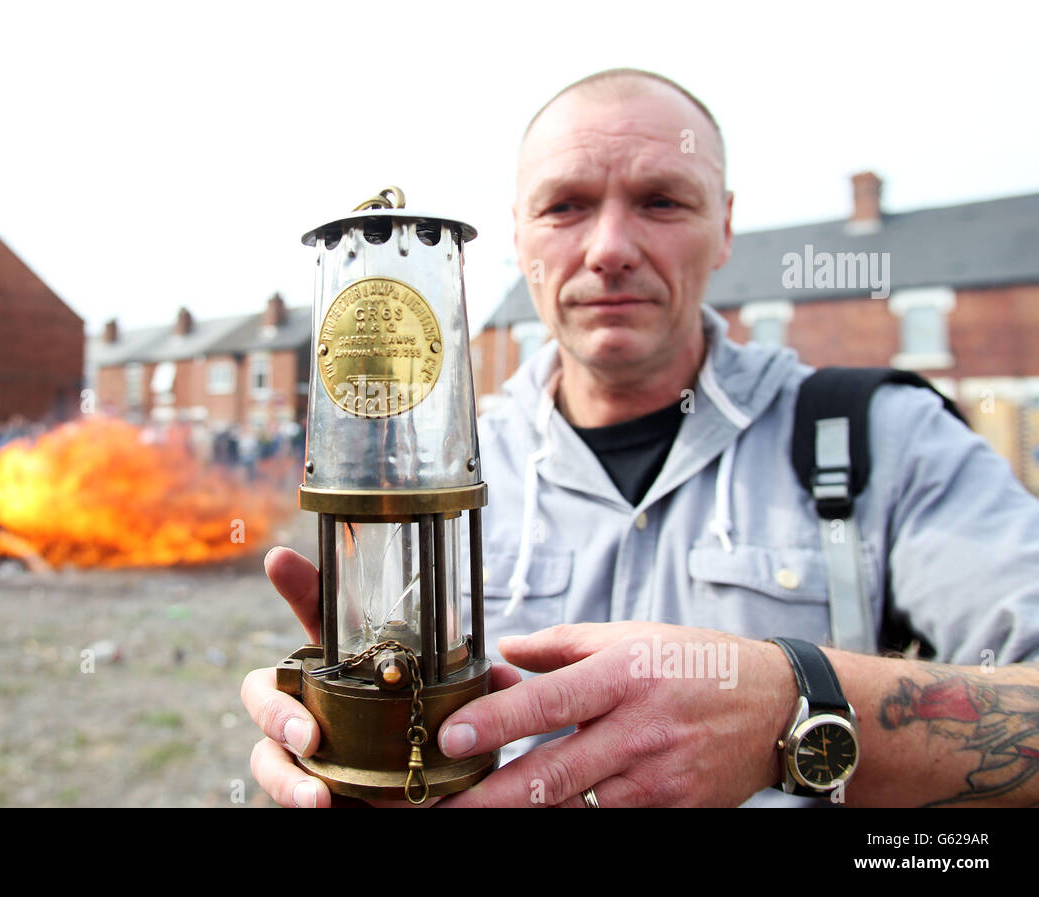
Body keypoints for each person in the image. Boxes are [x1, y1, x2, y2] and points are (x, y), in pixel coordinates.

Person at [242, 69, 1039, 807]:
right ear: (518, 240)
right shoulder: (454, 469)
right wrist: (350, 754)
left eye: (661, 201)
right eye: (566, 207)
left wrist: (794, 705)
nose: (610, 249)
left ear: (724, 228)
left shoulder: (881, 440)